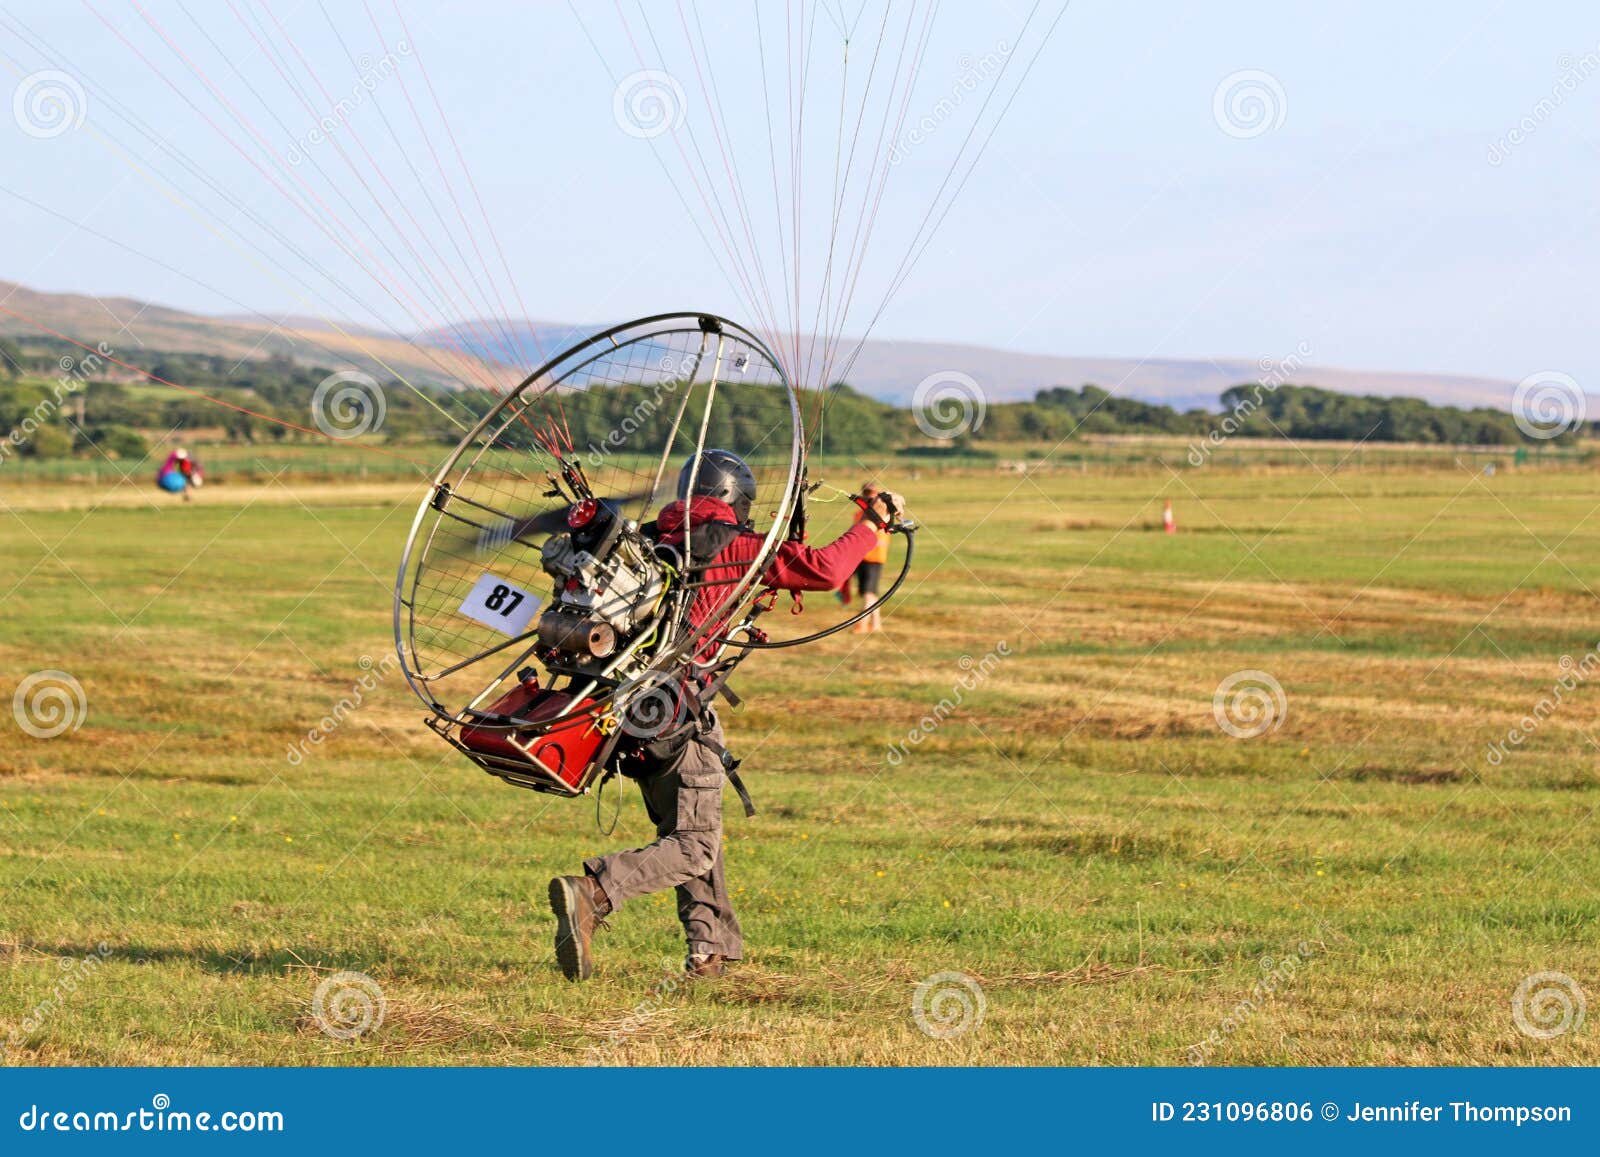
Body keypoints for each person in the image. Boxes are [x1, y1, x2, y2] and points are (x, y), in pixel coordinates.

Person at [548, 449, 906, 982]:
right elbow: (828, 569)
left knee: (692, 831)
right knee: (694, 844)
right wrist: (875, 524)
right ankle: (595, 892)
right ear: (734, 498)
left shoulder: (647, 540)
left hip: (625, 711)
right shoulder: (737, 546)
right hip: (675, 710)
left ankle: (709, 956)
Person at [849, 482, 891, 633]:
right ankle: (876, 624)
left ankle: (862, 623)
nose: (869, 496)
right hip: (861, 556)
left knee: (868, 592)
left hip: (874, 557)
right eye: (866, 493)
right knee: (870, 593)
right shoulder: (859, 514)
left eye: (872, 493)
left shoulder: (882, 513)